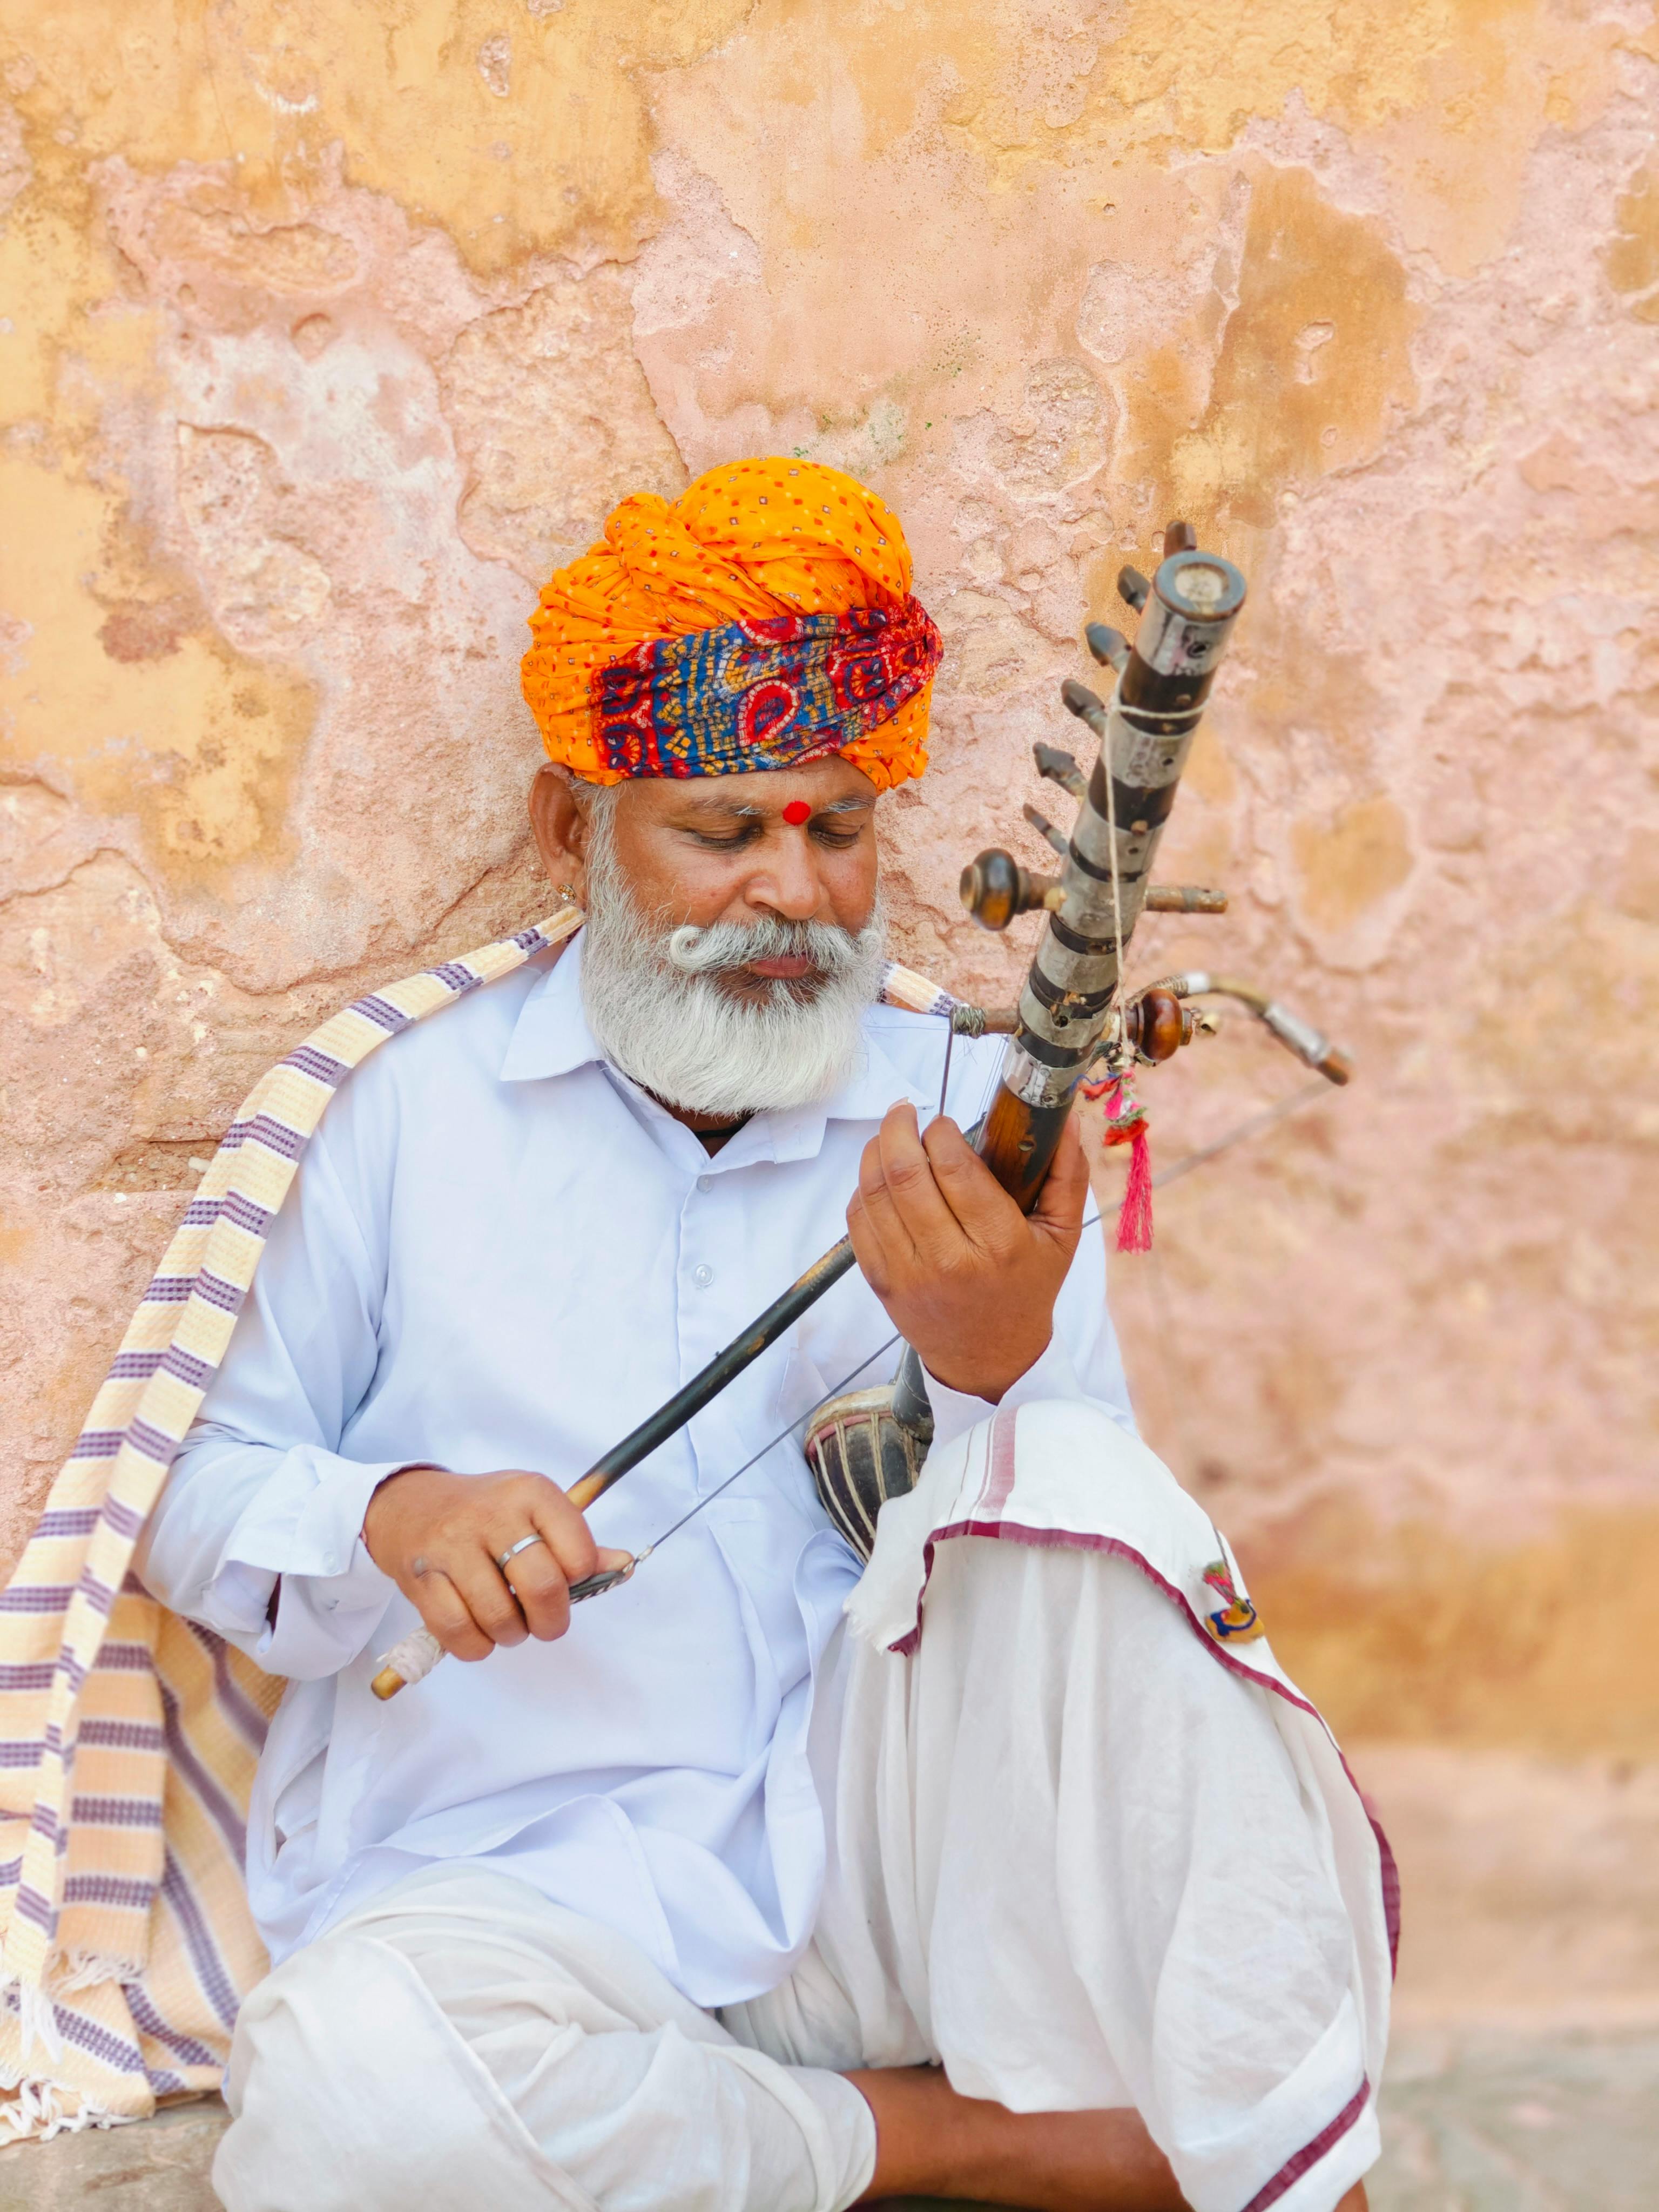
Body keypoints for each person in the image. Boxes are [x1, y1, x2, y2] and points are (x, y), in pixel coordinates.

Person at [135, 460, 1390, 2212]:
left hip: (898, 1887)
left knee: (1104, 1499)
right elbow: (193, 1500)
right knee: (358, 2095)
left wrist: (996, 1363)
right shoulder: (399, 1114)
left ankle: (1286, 2173)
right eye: (723, 834)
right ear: (573, 831)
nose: (793, 890)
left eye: (838, 829)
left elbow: (1076, 1598)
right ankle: (973, 2142)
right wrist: (396, 1519)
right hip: (524, 1892)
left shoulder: (972, 1110)